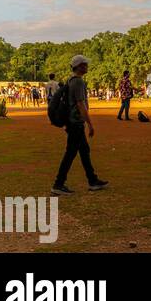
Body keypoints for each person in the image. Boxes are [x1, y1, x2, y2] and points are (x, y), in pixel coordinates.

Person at [52, 55, 108, 196]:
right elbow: (81, 104)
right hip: (76, 122)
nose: (86, 67)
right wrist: (90, 124)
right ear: (78, 67)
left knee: (84, 151)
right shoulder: (78, 82)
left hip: (73, 122)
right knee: (71, 153)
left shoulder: (71, 80)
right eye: (84, 65)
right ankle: (58, 184)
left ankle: (92, 180)